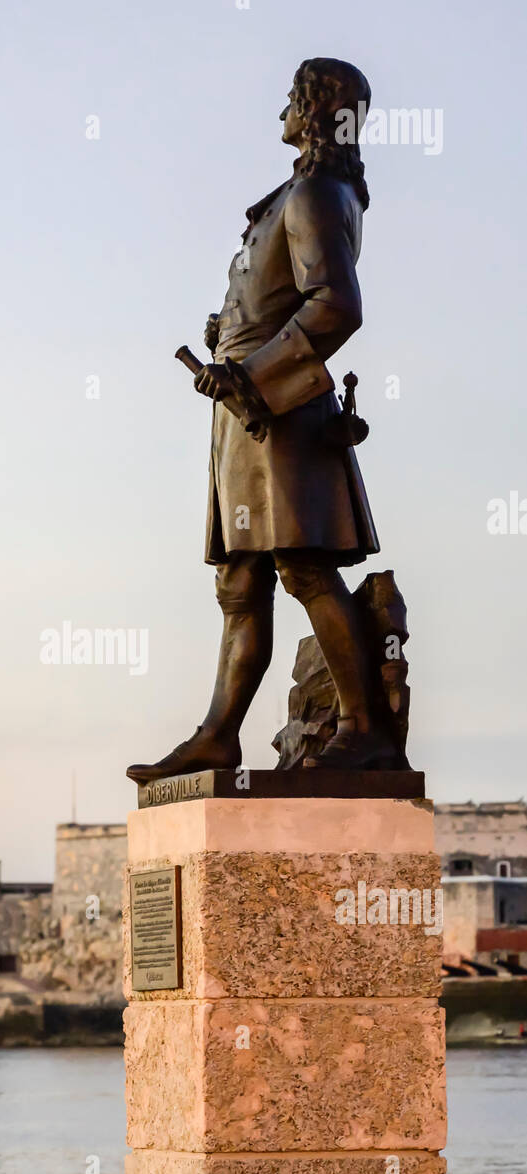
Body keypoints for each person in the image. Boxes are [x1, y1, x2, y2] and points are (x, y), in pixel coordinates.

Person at [128, 58, 398, 782]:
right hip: (241, 414)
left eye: (291, 98)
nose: (280, 108)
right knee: (240, 583)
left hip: (275, 411)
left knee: (304, 567)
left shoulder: (316, 192)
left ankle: (363, 728)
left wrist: (251, 373)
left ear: (314, 111)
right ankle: (217, 736)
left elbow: (336, 305)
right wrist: (228, 333)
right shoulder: (295, 194)